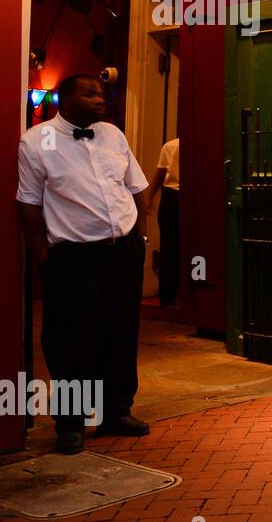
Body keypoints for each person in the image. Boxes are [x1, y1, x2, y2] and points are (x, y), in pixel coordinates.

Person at [16, 74, 152, 455]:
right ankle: (70, 424)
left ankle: (116, 413)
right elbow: (27, 204)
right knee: (72, 341)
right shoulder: (36, 141)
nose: (100, 99)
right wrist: (45, 259)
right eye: (90, 93)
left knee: (121, 333)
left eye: (101, 93)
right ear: (65, 98)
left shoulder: (112, 134)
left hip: (121, 251)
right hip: (72, 256)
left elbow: (136, 186)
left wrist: (139, 237)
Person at [144, 136, 181, 307]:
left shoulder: (170, 146)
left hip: (170, 198)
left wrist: (149, 197)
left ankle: (167, 297)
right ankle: (194, 292)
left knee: (168, 247)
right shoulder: (199, 146)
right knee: (195, 250)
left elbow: (159, 175)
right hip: (185, 197)